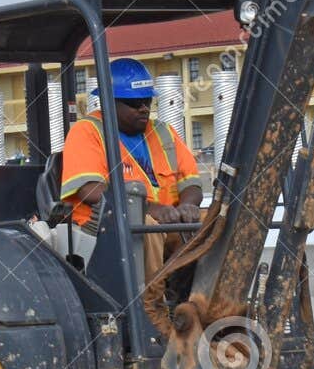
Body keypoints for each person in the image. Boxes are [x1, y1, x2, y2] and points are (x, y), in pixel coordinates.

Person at [58, 58, 205, 272]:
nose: (144, 109)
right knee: (146, 226)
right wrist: (152, 209)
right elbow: (90, 190)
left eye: (147, 101)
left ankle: (201, 299)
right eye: (135, 103)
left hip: (168, 223)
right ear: (109, 101)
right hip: (106, 229)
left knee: (214, 220)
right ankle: (151, 304)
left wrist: (187, 207)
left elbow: (191, 184)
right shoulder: (87, 132)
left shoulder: (163, 133)